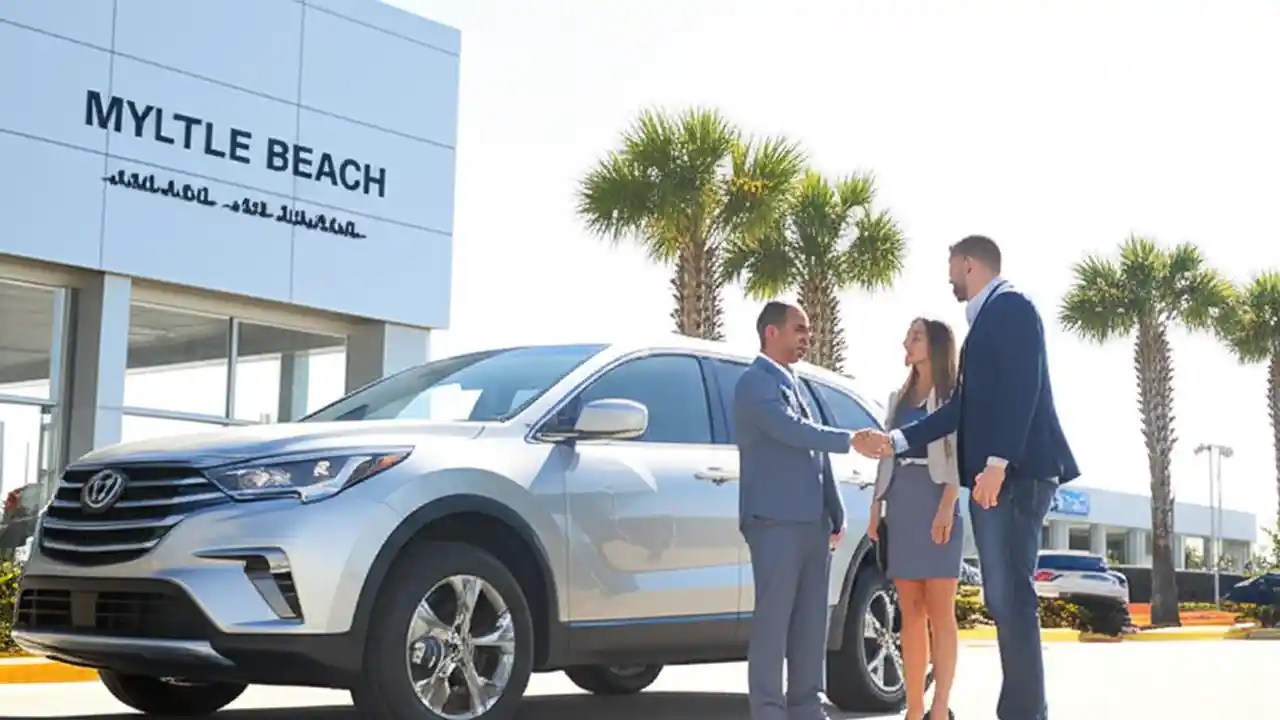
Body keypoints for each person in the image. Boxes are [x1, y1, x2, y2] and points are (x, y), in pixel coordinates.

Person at [855, 235, 1078, 720]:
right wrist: (894, 442)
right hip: (999, 476)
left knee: (1011, 596)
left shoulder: (1011, 306)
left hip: (1015, 476)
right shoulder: (986, 320)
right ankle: (1021, 709)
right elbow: (959, 409)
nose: (949, 275)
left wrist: (997, 463)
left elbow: (1025, 386)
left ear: (970, 264)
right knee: (1004, 597)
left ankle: (1023, 713)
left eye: (952, 265)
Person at [734, 300, 855, 720]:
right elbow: (790, 430)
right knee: (774, 623)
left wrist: (834, 509)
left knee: (809, 624)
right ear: (772, 332)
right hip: (775, 521)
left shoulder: (795, 383)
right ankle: (769, 710)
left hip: (811, 524)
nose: (807, 337)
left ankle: (806, 706)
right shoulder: (754, 383)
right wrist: (850, 439)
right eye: (799, 329)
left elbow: (814, 454)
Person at [868, 317, 962, 720]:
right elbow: (887, 453)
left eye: (916, 336)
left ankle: (939, 707)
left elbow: (962, 451)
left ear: (936, 346)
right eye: (908, 335)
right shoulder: (897, 399)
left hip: (939, 497)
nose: (907, 341)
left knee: (941, 609)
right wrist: (876, 504)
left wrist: (947, 503)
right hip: (901, 501)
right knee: (910, 607)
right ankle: (914, 707)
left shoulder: (955, 394)